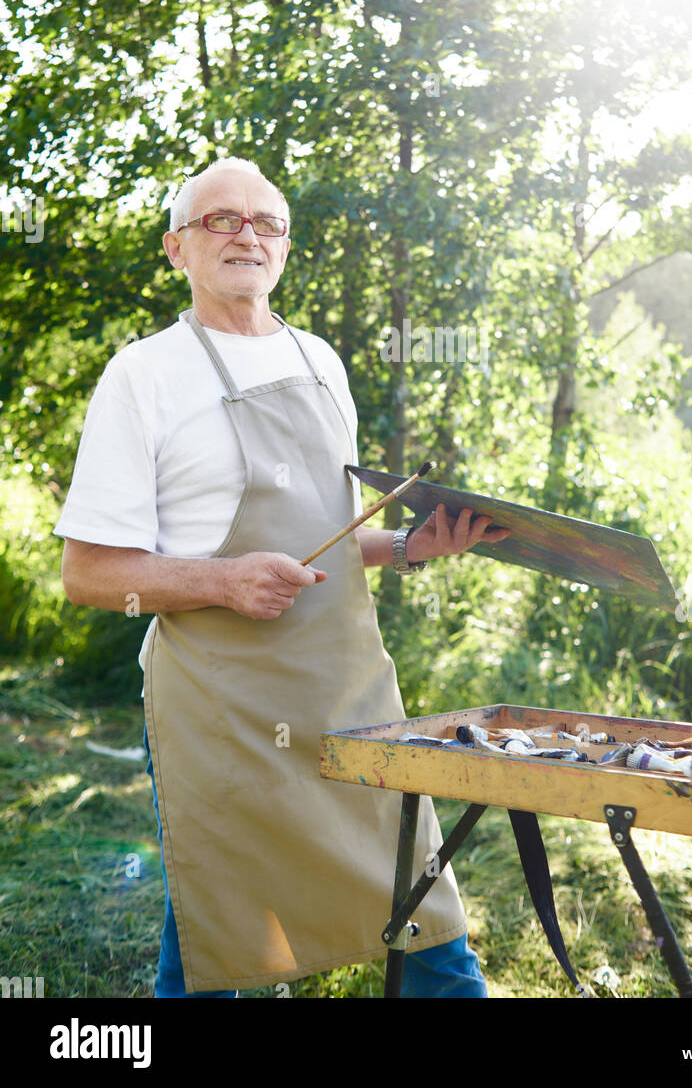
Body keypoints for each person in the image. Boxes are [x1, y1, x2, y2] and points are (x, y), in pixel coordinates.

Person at [55, 157, 509, 999]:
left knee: (425, 912)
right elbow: (88, 574)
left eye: (265, 222)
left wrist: (411, 548)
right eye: (220, 219)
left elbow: (320, 548)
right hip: (218, 706)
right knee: (214, 932)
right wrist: (224, 582)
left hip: (348, 692)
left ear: (285, 248)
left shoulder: (321, 361)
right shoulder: (143, 374)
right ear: (176, 248)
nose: (246, 235)